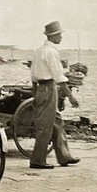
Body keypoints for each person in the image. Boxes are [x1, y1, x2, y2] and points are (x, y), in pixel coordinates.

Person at [29, 21, 80, 169]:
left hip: (41, 89)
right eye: (60, 35)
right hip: (49, 88)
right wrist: (71, 96)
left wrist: (34, 95)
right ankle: (37, 160)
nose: (61, 38)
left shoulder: (38, 51)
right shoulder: (51, 52)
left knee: (57, 122)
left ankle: (64, 156)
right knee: (45, 126)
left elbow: (32, 76)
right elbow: (59, 77)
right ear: (54, 36)